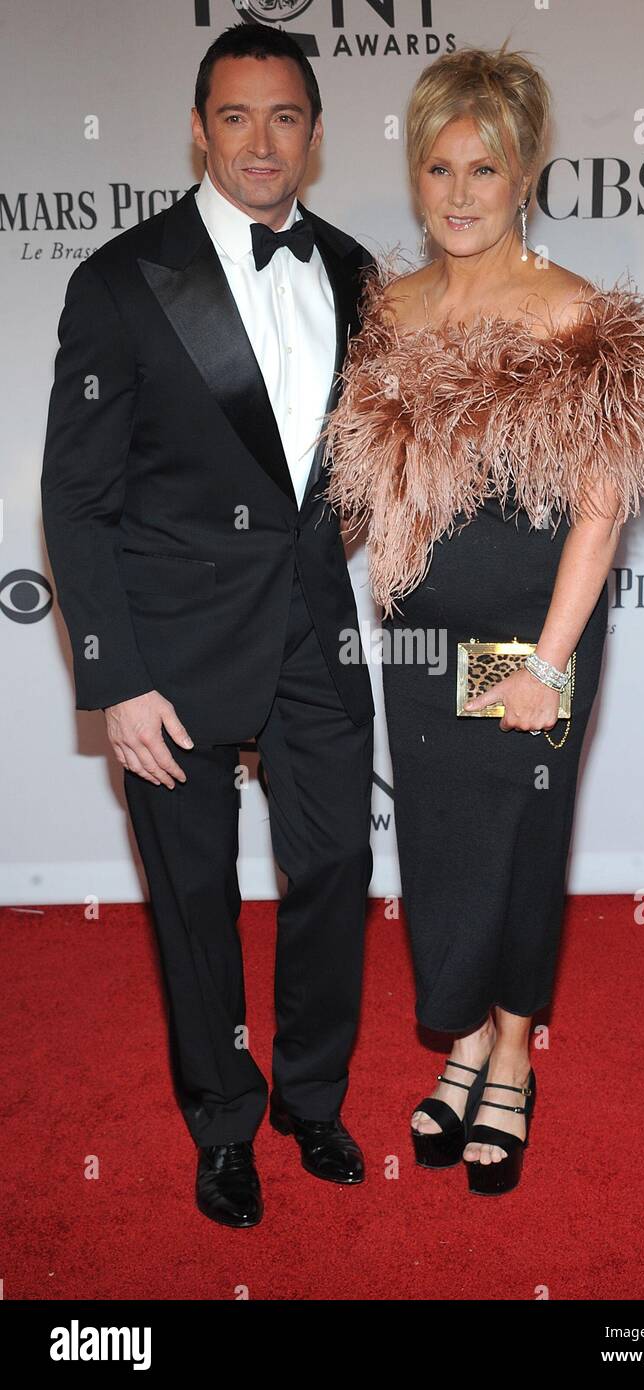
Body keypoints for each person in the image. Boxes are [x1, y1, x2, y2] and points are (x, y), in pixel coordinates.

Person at [321, 44, 644, 1196]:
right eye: (438, 168)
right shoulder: (389, 309)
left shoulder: (572, 315)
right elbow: (363, 479)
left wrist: (548, 660)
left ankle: (506, 1056)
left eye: (482, 169)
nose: (458, 194)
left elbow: (600, 515)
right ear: (415, 173)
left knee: (517, 847)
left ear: (525, 169)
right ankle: (456, 1039)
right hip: (421, 635)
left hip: (523, 635)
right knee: (442, 845)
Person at [40, 22, 376, 1229]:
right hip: (171, 646)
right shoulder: (122, 280)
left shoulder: (352, 268)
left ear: (315, 134)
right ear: (199, 127)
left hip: (313, 630)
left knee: (337, 860)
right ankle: (225, 1120)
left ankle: (313, 1095)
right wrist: (113, 678)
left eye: (285, 116)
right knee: (193, 892)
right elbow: (74, 501)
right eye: (235, 117)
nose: (260, 142)